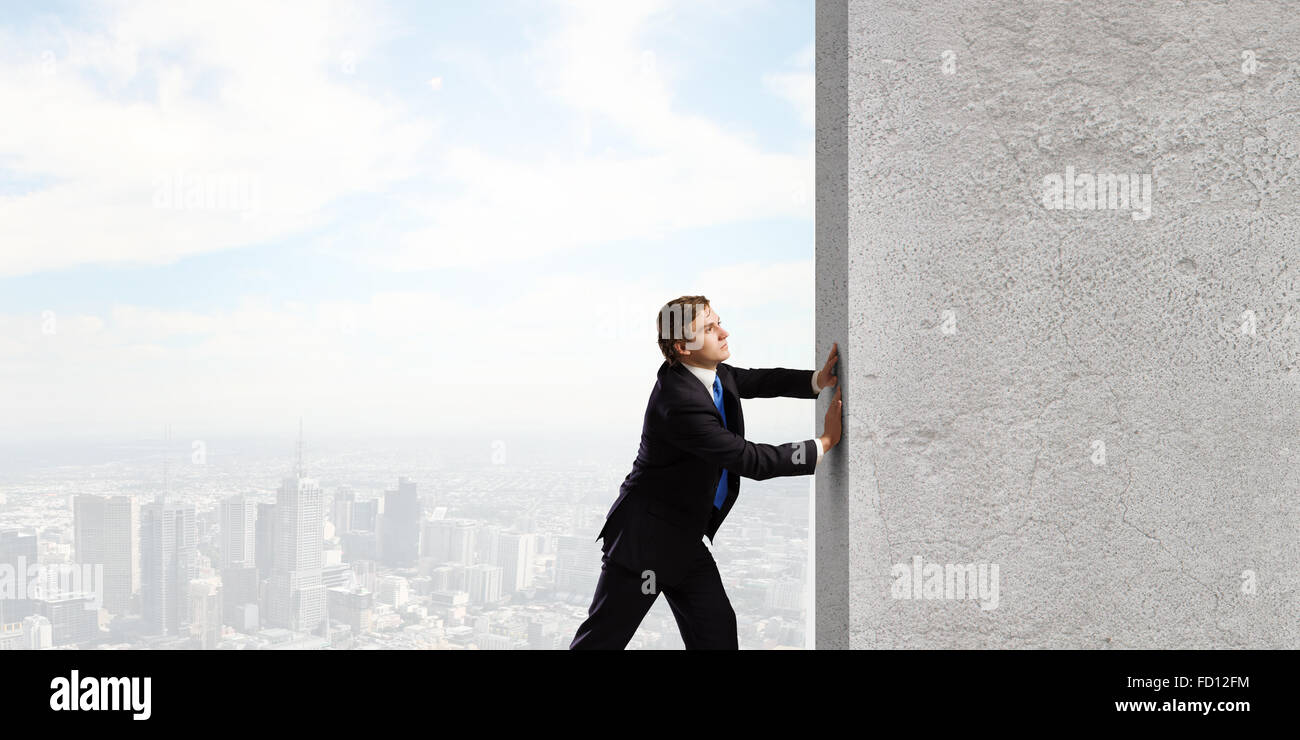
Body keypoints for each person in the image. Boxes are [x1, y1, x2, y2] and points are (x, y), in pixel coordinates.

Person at [569, 295, 843, 649]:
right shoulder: (680, 402)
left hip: (683, 542)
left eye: (719, 323)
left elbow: (757, 380)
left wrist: (817, 380)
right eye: (710, 329)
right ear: (683, 347)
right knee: (601, 642)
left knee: (717, 634)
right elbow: (748, 459)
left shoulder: (710, 373)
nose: (724, 333)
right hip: (643, 546)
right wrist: (823, 443)